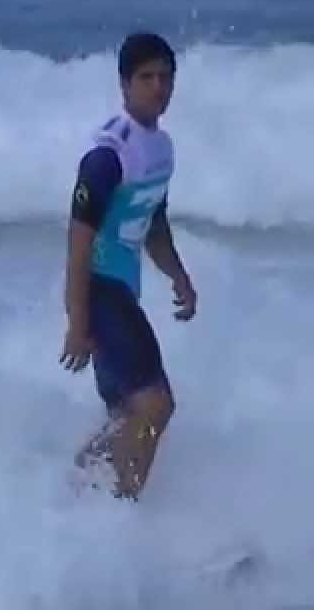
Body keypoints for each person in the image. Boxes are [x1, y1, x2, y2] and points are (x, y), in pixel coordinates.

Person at [60, 32, 197, 501]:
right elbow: (78, 242)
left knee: (126, 411)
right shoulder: (107, 155)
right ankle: (119, 508)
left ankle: (76, 491)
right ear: (124, 84)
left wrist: (178, 276)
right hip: (100, 291)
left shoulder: (161, 148)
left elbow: (153, 222)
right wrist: (78, 321)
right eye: (146, 77)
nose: (158, 86)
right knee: (155, 404)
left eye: (165, 77)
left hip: (123, 289)